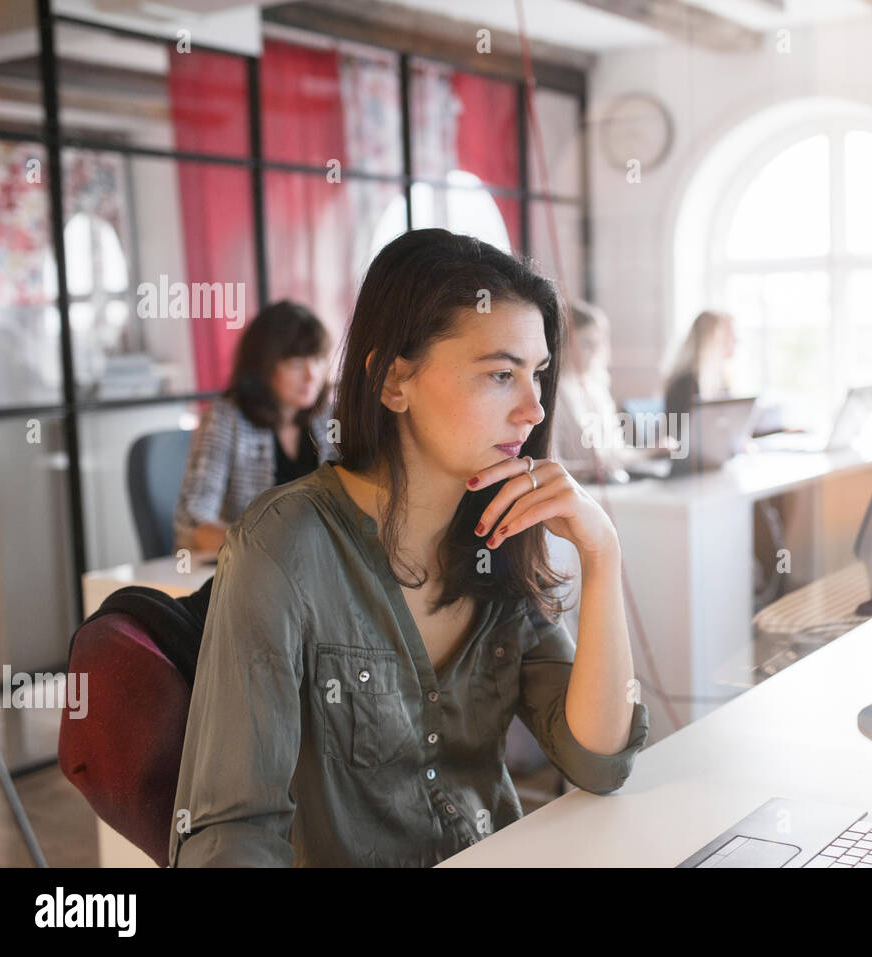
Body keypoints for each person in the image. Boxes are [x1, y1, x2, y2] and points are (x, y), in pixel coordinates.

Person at [169, 228, 649, 867]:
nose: (535, 410)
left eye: (538, 374)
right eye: (501, 374)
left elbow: (597, 758)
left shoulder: (496, 537)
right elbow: (232, 835)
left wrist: (603, 554)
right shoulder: (285, 544)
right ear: (394, 382)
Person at [173, 300, 334, 553]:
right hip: (250, 574)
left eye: (318, 360)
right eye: (295, 363)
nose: (311, 375)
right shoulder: (225, 418)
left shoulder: (329, 418)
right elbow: (193, 523)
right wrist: (262, 549)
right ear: (263, 366)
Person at [551, 299, 669, 483]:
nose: (595, 351)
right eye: (586, 344)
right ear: (563, 345)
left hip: (610, 486)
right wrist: (588, 470)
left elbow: (615, 454)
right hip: (579, 491)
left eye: (598, 343)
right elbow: (550, 465)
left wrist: (651, 451)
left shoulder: (597, 389)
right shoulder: (553, 394)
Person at [663, 309, 738, 477]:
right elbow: (682, 441)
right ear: (712, 340)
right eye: (729, 337)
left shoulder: (720, 381)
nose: (735, 342)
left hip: (712, 468)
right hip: (689, 474)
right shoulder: (685, 384)